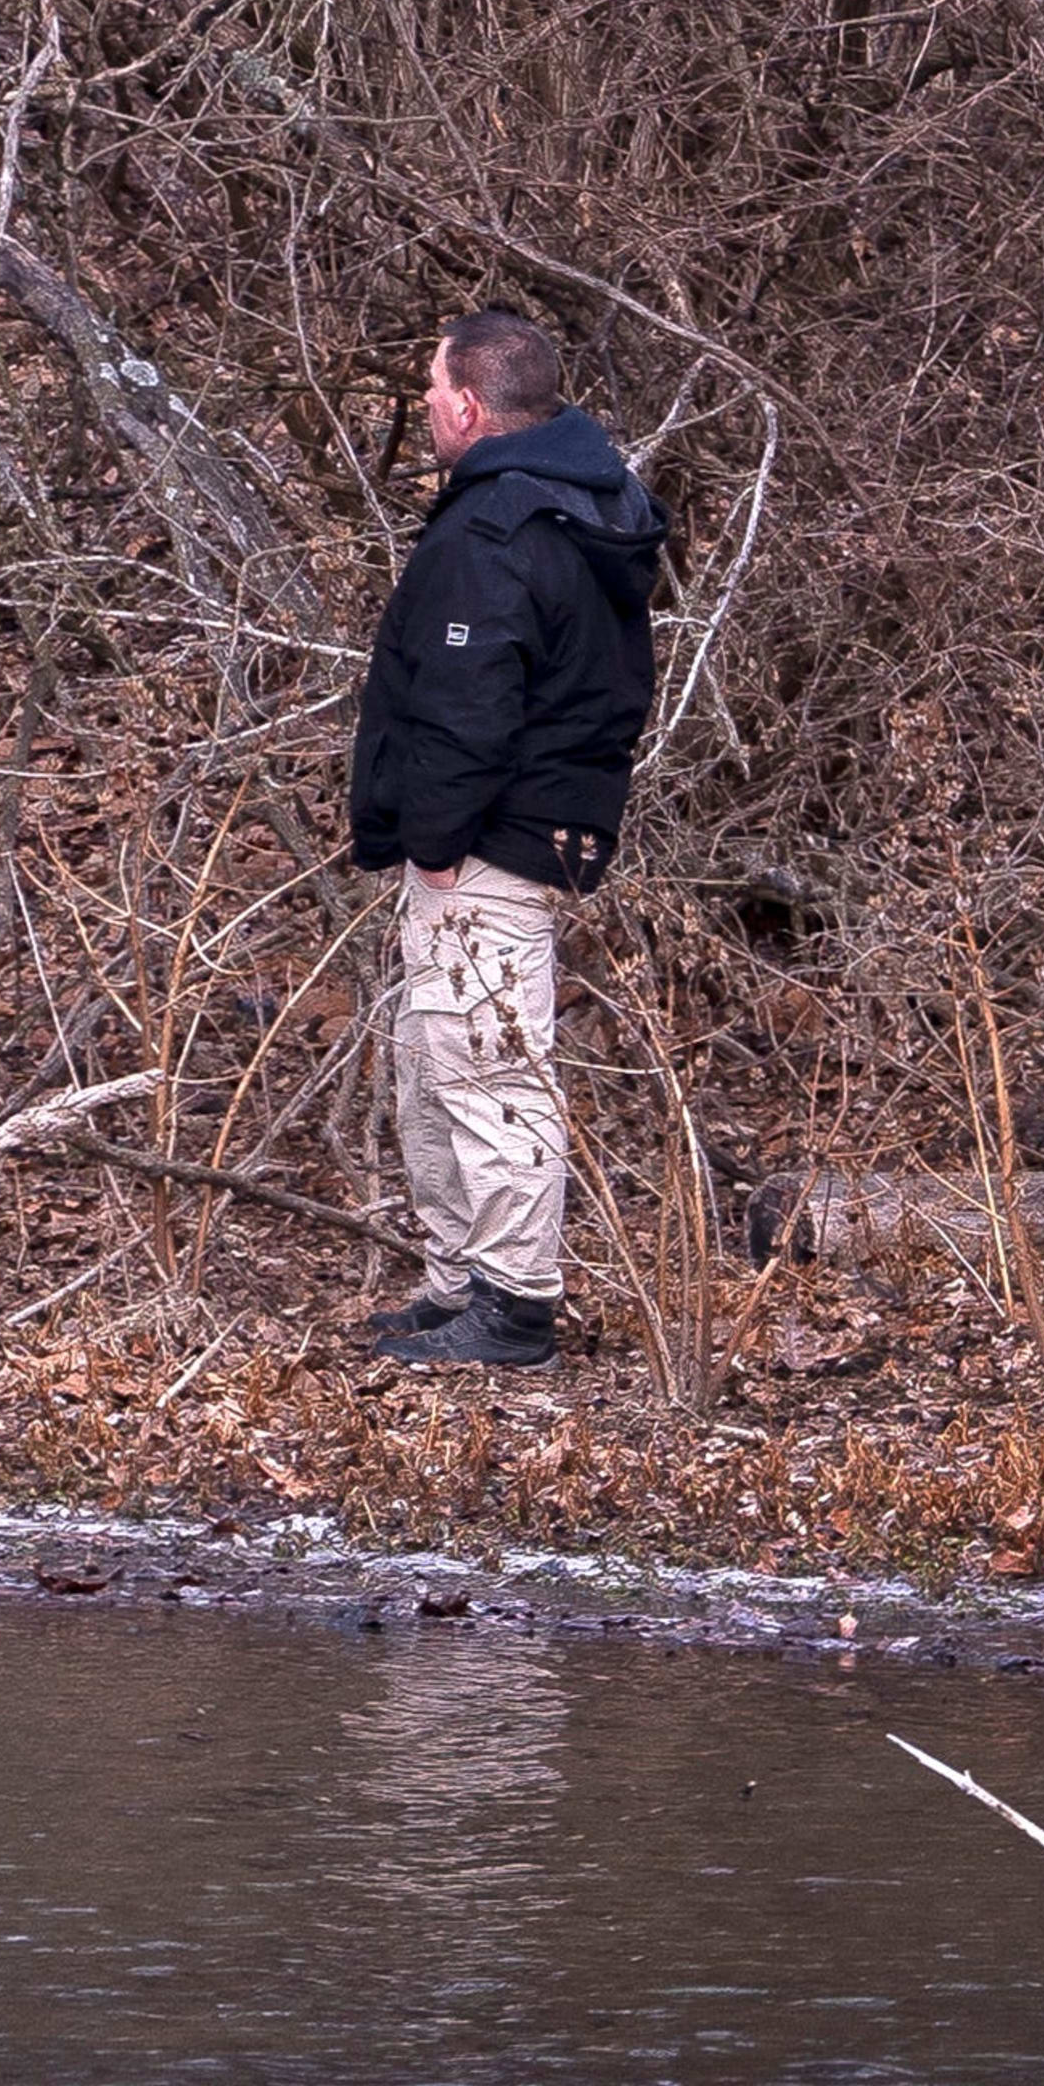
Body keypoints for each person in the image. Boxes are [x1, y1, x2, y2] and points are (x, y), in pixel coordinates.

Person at [344, 310, 667, 1368]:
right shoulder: (573, 504)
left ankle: (515, 1305)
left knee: (485, 1070)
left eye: (433, 389)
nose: (426, 407)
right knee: (432, 1065)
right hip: (510, 833)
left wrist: (431, 838)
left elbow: (468, 704)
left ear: (470, 405)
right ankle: (459, 1284)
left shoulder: (499, 529)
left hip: (490, 846)